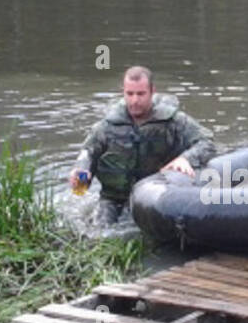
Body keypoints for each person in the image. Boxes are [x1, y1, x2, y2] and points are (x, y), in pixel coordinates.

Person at [70, 66, 214, 225]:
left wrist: (186, 159)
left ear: (152, 91)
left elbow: (206, 142)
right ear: (123, 92)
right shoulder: (106, 127)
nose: (135, 100)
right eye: (129, 94)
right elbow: (88, 153)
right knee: (100, 229)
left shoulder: (173, 122)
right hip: (114, 199)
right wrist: (81, 173)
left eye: (140, 94)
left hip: (157, 195)